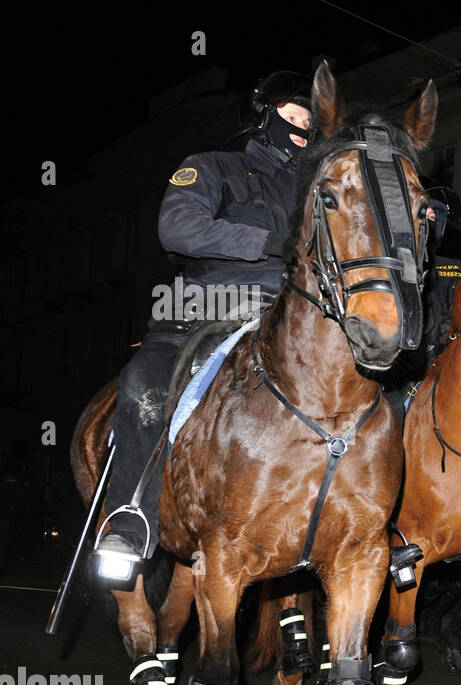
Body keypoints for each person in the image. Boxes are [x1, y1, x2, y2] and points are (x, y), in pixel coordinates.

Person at [96, 71, 315, 568]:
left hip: (288, 314)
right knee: (144, 387)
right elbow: (178, 228)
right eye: (291, 116)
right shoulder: (211, 167)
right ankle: (130, 518)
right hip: (205, 309)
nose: (302, 128)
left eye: (308, 121)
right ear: (262, 118)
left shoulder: (313, 189)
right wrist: (264, 243)